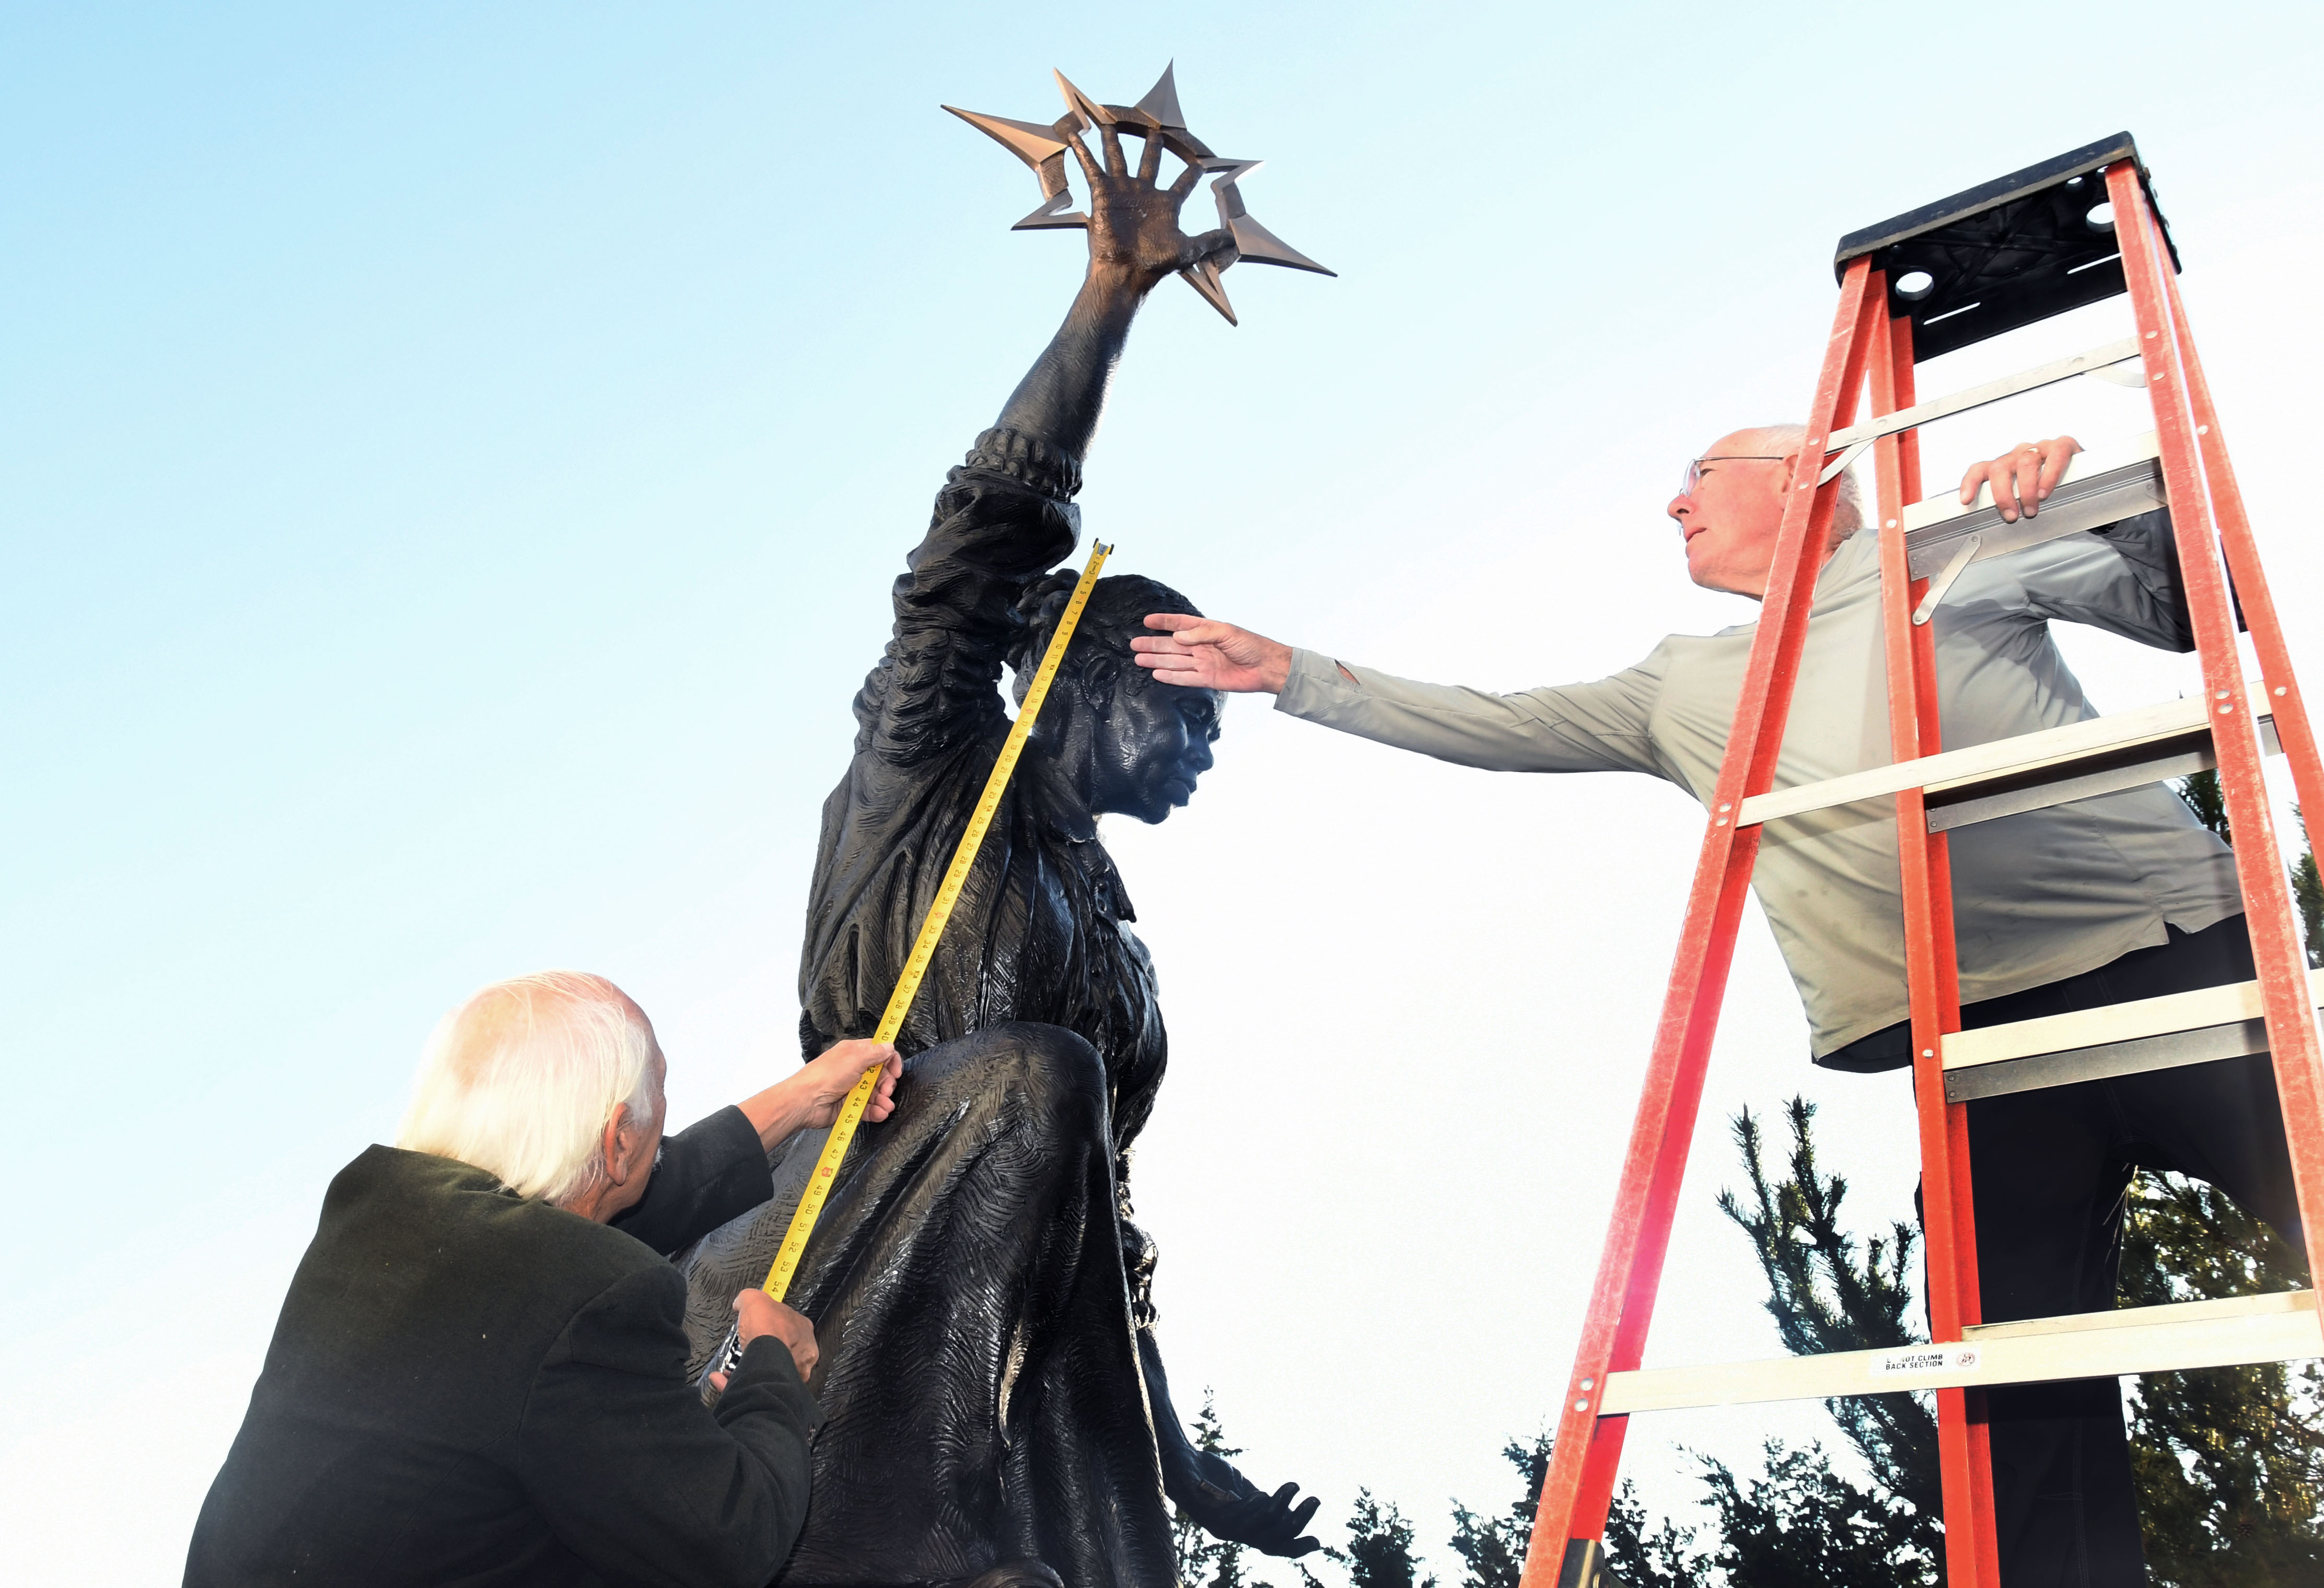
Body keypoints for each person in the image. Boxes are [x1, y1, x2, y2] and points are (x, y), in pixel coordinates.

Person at [1132, 431, 2301, 1585]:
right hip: (1974, 1042)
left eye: (1700, 472)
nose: (1672, 502)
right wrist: (1288, 669)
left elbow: (2196, 603)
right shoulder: (1681, 683)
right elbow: (1494, 721)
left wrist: (2104, 497)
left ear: (1805, 477)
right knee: (2003, 1381)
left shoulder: (1947, 554)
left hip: (2170, 958)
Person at [675, 117, 1317, 1588]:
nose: (1211, 739)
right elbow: (970, 562)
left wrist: (1176, 1459)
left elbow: (1089, 1227)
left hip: (994, 1366)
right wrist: (1107, 302)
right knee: (1035, 1071)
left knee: (1055, 1089)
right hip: (827, 1262)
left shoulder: (1109, 926)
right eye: (1187, 706)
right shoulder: (938, 770)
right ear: (1095, 672)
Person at [183, 970, 901, 1588]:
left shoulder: (375, 1218)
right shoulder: (575, 1294)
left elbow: (624, 1200)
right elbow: (731, 1538)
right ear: (619, 1137)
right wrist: (773, 1371)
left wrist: (803, 1098)